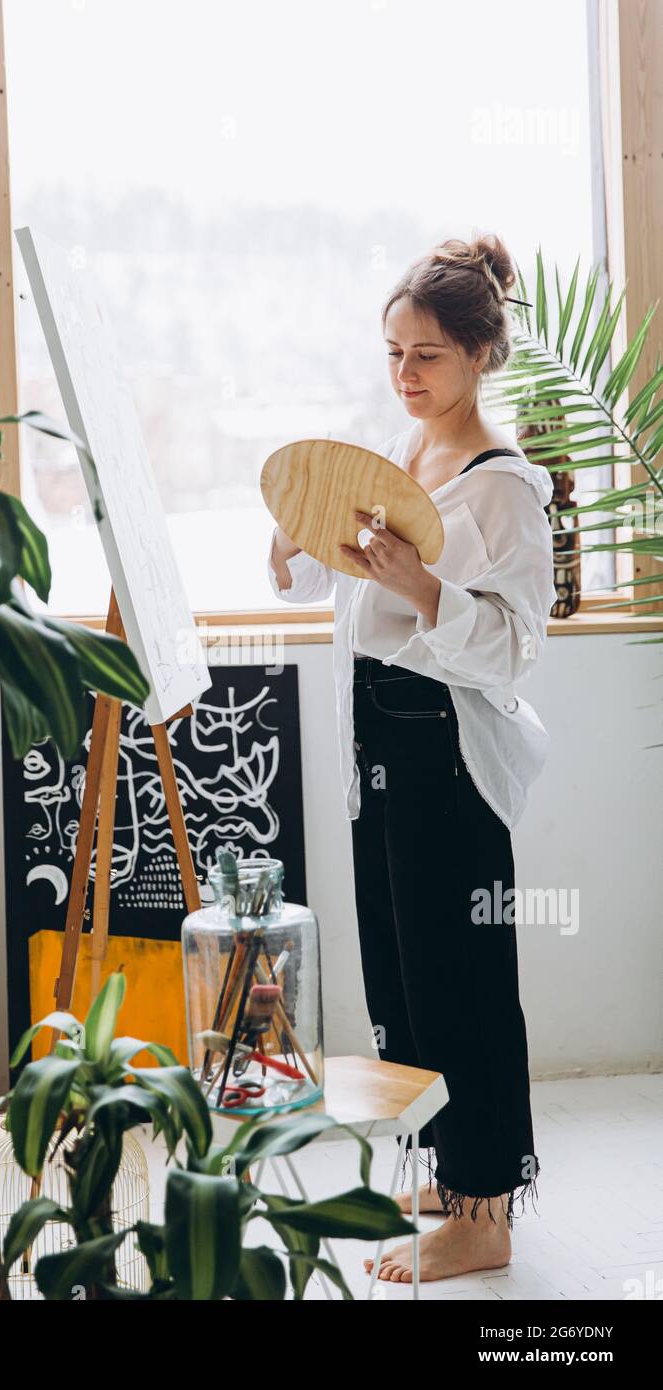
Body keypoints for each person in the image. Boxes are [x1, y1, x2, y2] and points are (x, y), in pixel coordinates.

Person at [267, 233, 556, 1283]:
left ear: (480, 352)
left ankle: (483, 1216)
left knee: (457, 980)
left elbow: (516, 645)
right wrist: (296, 538)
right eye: (392, 353)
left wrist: (422, 588)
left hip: (442, 752)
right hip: (372, 741)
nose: (403, 375)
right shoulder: (398, 457)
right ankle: (449, 1166)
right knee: (397, 974)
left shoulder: (500, 485)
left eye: (426, 355)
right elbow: (327, 589)